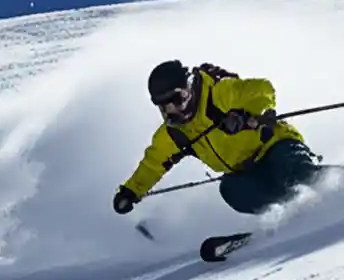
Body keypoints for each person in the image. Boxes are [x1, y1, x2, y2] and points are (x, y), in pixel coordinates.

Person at [113, 60, 324, 216]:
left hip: (273, 147)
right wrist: (131, 191)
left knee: (294, 171)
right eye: (164, 106)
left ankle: (330, 186)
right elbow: (154, 163)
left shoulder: (218, 93)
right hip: (245, 172)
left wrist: (247, 116)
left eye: (177, 99)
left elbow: (262, 89)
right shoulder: (174, 132)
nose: (172, 110)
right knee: (231, 189)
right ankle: (287, 212)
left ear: (189, 88)